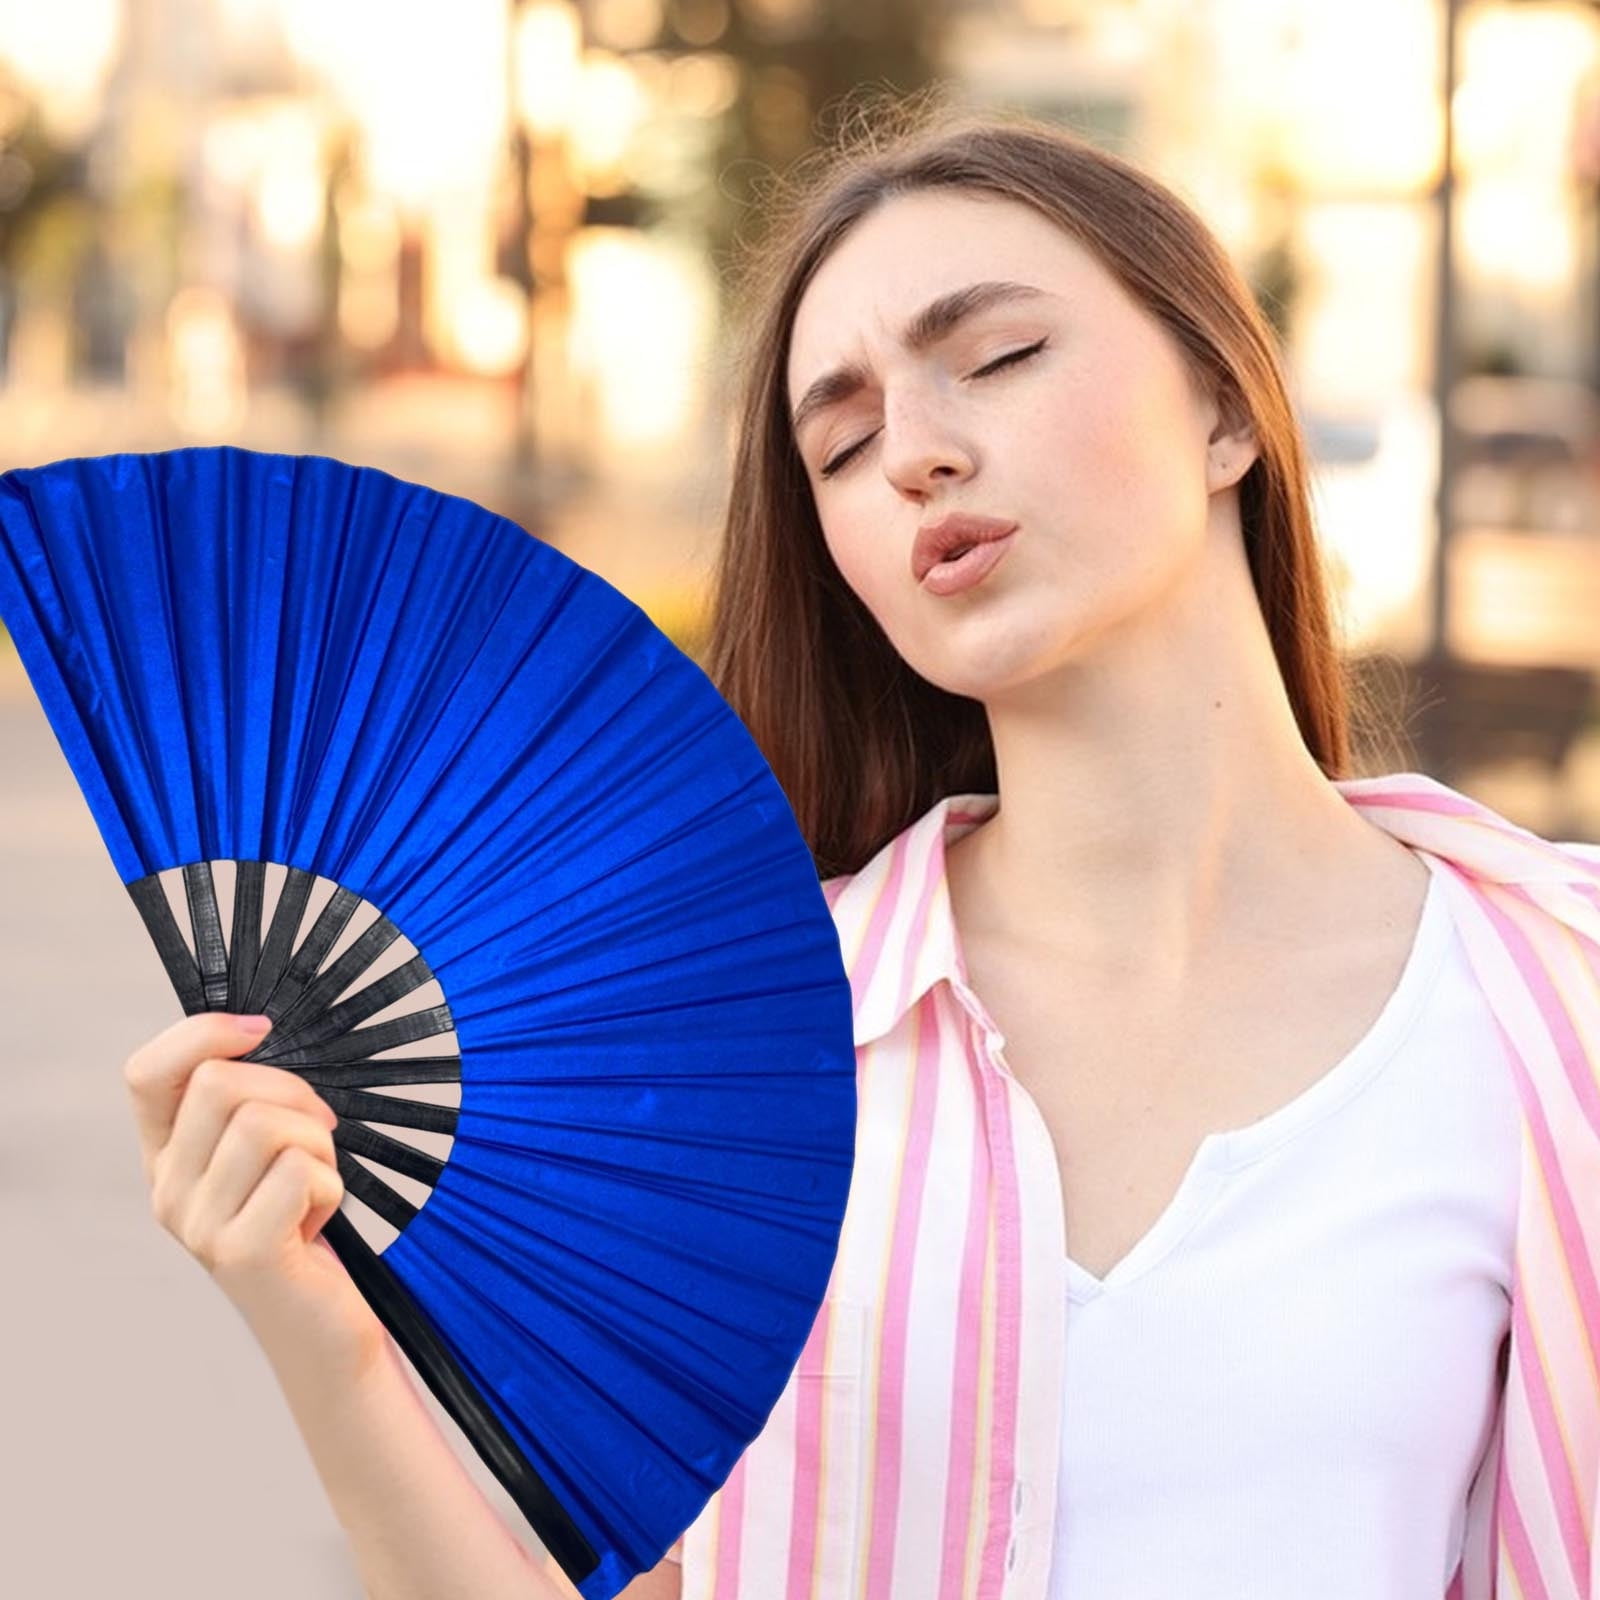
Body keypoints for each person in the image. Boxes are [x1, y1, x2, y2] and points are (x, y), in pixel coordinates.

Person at [123, 99, 1600, 1600]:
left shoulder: (1547, 1010)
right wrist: (315, 1320)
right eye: (841, 440)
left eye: (1001, 357)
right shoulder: (740, 1049)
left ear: (1225, 406)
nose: (914, 455)